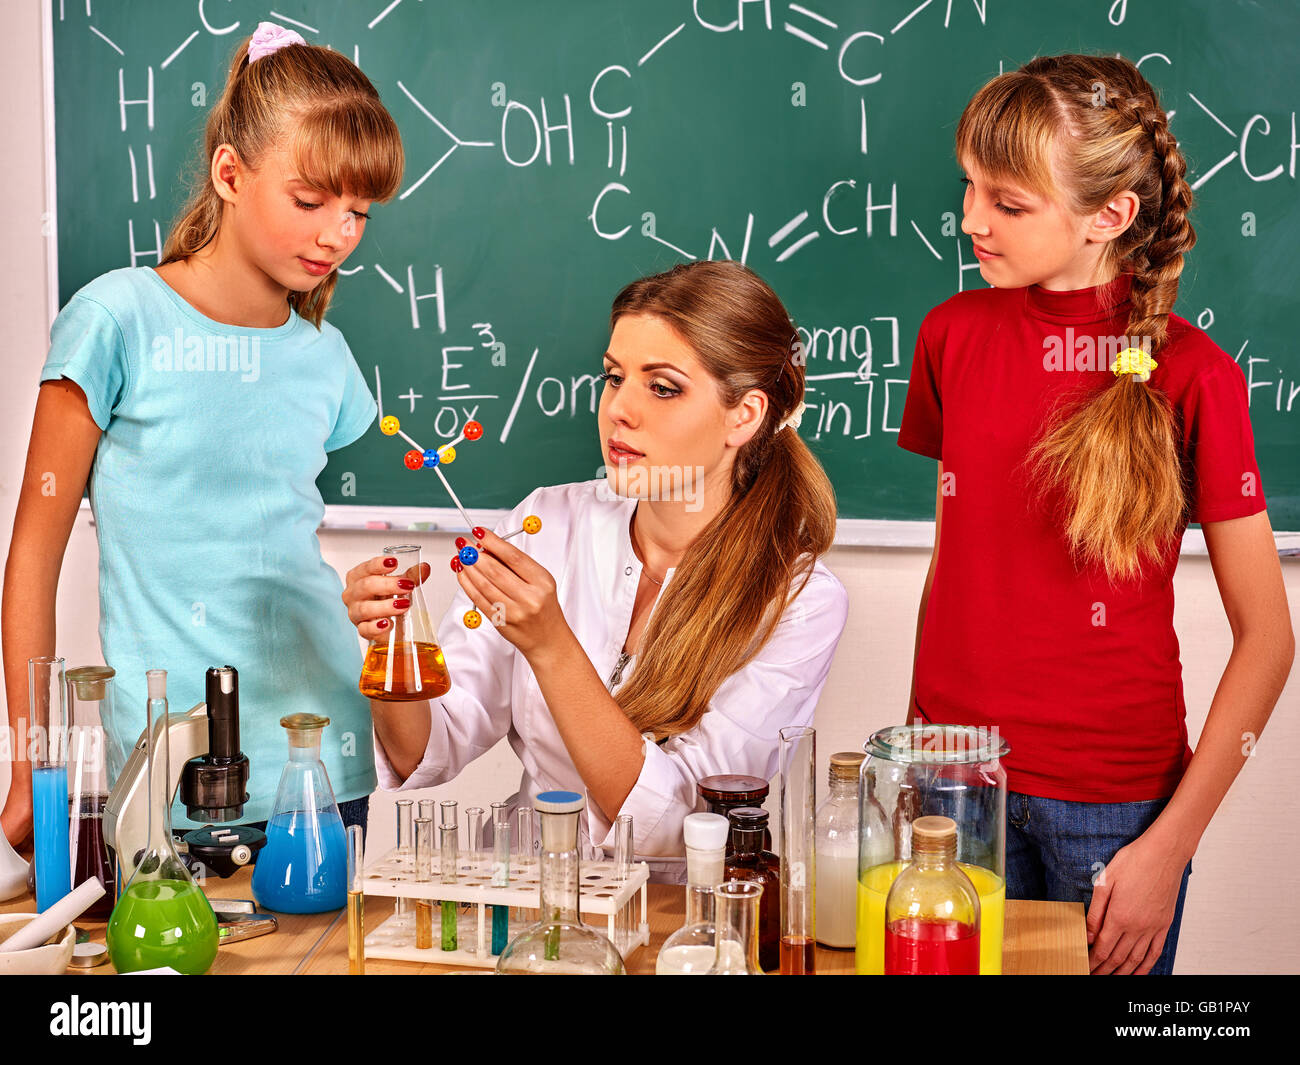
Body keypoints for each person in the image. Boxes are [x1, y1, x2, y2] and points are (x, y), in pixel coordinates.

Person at [899, 55, 1294, 974]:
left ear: (1109, 216)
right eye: (969, 187)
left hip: (1113, 810)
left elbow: (1268, 638)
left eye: (1008, 201)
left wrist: (1169, 848)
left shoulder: (1195, 377)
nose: (969, 221)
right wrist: (916, 758)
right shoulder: (949, 336)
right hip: (952, 785)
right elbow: (954, 565)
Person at [2, 23, 404, 844]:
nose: (338, 234)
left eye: (358, 211)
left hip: (321, 759)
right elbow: (34, 559)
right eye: (310, 201)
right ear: (229, 172)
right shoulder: (116, 320)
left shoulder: (325, 356)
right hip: (167, 772)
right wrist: (30, 766)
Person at [344, 260, 849, 881]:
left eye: (662, 387)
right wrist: (394, 646)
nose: (620, 411)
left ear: (743, 415)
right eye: (614, 378)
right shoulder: (545, 524)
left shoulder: (798, 601)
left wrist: (552, 645)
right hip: (525, 894)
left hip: (675, 920)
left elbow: (675, 827)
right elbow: (427, 749)